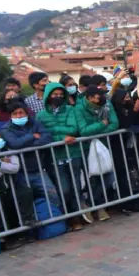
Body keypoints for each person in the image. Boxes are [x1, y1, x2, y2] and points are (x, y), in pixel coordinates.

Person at [38, 82, 88, 230]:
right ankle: (68, 216)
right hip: (55, 157)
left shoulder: (71, 110)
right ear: (48, 96)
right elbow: (43, 135)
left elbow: (73, 129)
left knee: (76, 187)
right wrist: (61, 138)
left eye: (61, 94)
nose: (58, 97)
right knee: (64, 189)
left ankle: (77, 218)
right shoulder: (41, 115)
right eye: (55, 94)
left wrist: (53, 130)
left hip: (73, 154)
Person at [1, 99, 61, 210]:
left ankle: (57, 219)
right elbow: (14, 144)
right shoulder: (6, 129)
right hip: (21, 173)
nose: (19, 116)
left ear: (26, 113)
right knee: (26, 201)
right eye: (15, 114)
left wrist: (28, 144)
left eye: (21, 113)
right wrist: (32, 136)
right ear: (10, 115)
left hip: (38, 169)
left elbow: (47, 137)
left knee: (53, 195)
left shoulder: (35, 123)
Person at [73, 86, 120, 221]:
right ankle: (94, 206)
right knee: (94, 178)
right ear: (90, 98)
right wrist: (102, 124)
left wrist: (99, 133)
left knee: (108, 177)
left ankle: (94, 205)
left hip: (103, 145)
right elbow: (83, 130)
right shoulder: (79, 108)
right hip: (88, 148)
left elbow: (114, 123)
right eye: (98, 97)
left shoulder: (106, 104)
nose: (102, 99)